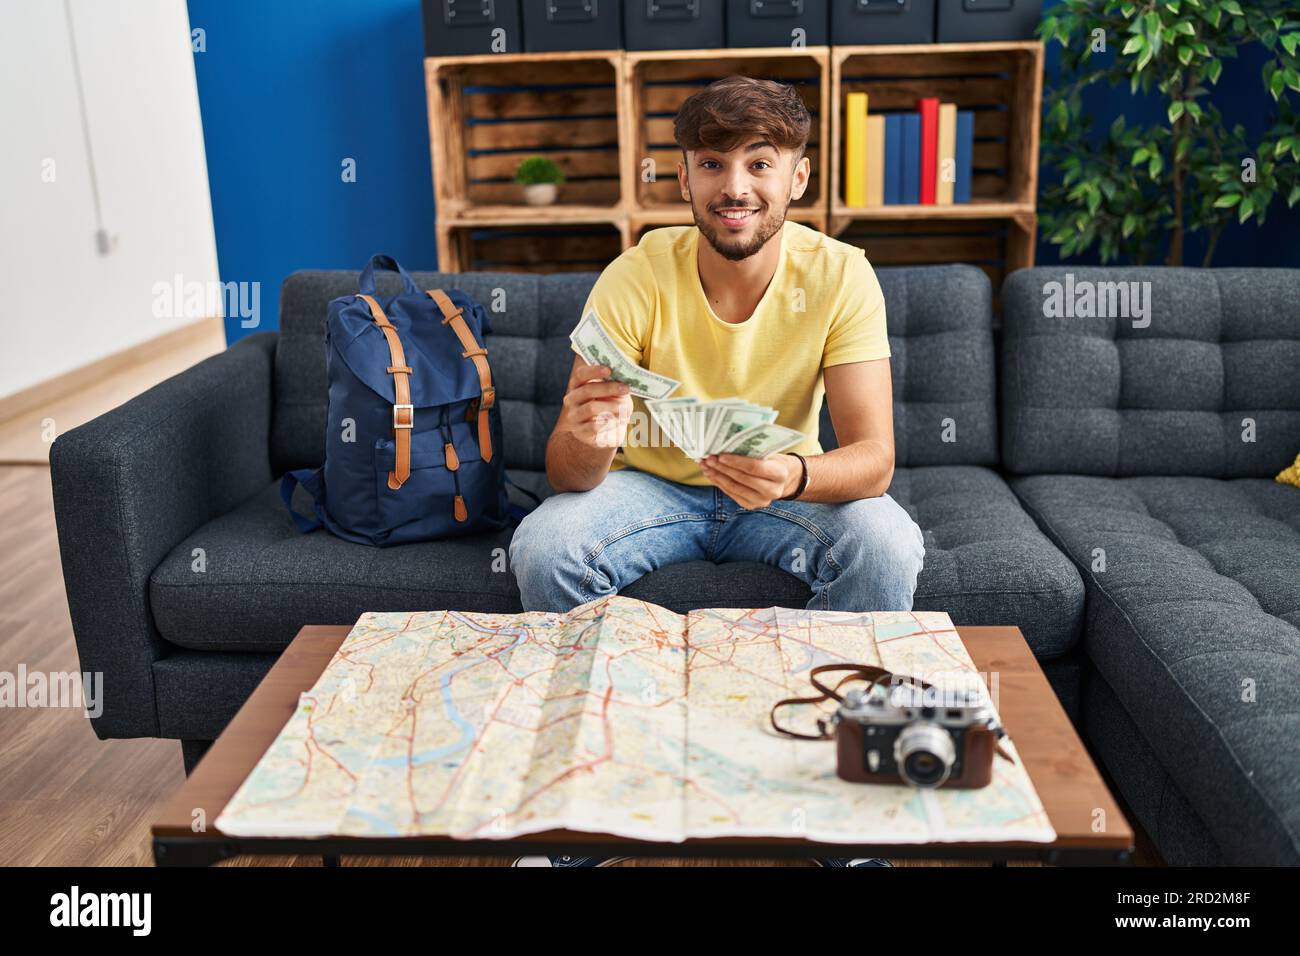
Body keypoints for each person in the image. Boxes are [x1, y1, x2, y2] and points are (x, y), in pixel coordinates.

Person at [508, 75, 925, 869]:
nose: (735, 188)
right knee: (543, 543)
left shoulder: (841, 275)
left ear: (797, 177)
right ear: (685, 175)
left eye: (761, 164)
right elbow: (566, 475)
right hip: (651, 489)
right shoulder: (636, 273)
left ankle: (843, 808)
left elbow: (874, 460)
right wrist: (590, 438)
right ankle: (590, 799)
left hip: (778, 488)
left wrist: (792, 477)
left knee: (887, 541)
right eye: (712, 164)